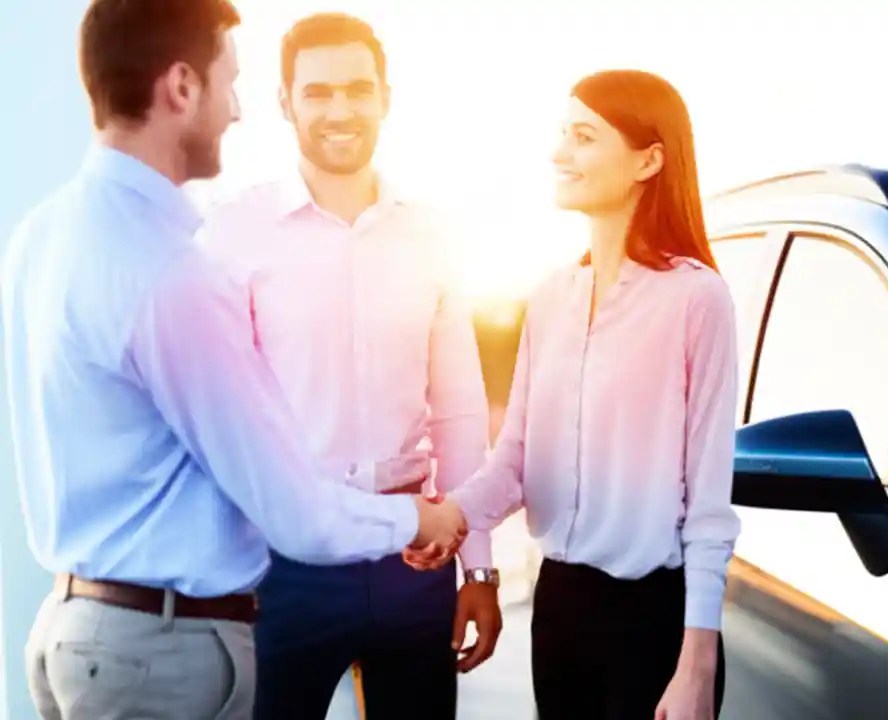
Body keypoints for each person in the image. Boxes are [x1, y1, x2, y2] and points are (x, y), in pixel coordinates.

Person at [3, 2, 465, 718]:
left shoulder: (42, 234)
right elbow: (295, 513)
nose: (238, 109)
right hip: (162, 651)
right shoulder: (172, 267)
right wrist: (422, 522)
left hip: (76, 628)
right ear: (182, 88)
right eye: (230, 82)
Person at [412, 69, 741, 720]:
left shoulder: (696, 299)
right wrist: (450, 518)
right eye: (563, 135)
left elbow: (708, 504)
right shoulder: (551, 296)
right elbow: (516, 462)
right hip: (560, 611)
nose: (560, 154)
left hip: (654, 621)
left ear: (649, 159)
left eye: (584, 137)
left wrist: (696, 662)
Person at [198, 13, 500, 719]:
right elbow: (210, 412)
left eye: (358, 90)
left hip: (411, 558)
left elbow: (457, 411)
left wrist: (478, 564)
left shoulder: (431, 234)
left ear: (385, 98)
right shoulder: (234, 232)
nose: (340, 111)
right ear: (285, 103)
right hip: (281, 568)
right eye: (319, 92)